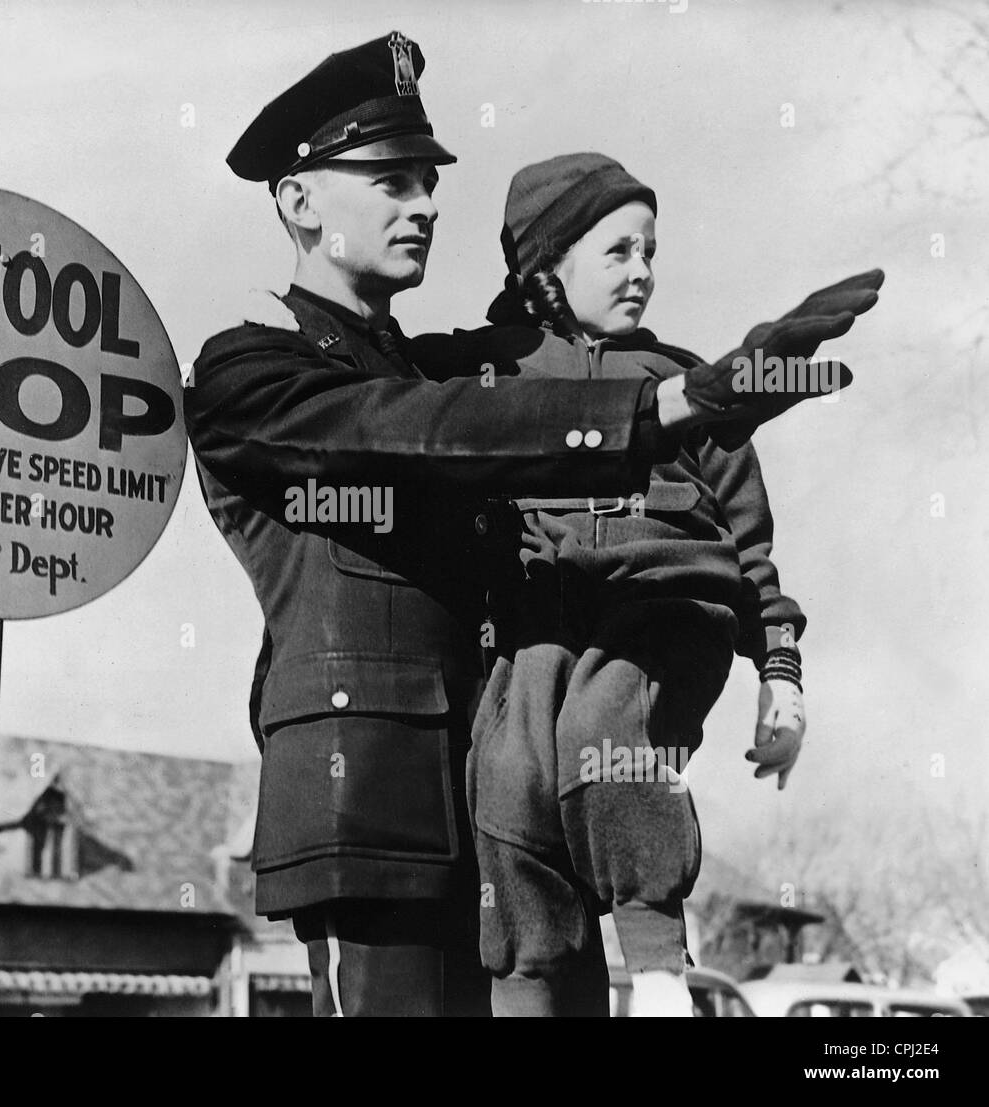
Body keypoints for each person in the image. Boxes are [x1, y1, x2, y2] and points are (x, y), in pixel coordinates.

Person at [184, 31, 871, 1017]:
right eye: (389, 180)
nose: (423, 205)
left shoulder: (441, 373)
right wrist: (663, 406)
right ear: (297, 203)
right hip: (373, 811)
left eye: (427, 182)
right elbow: (422, 433)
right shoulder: (253, 373)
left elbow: (487, 424)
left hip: (511, 809)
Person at [408, 153, 882, 1016]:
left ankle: (659, 965)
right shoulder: (483, 371)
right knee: (509, 762)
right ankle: (527, 976)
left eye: (651, 253)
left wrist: (781, 677)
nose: (643, 274)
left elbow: (752, 542)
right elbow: (380, 397)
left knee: (603, 723)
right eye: (619, 252)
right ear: (546, 265)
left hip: (669, 606)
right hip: (548, 611)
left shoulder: (687, 382)